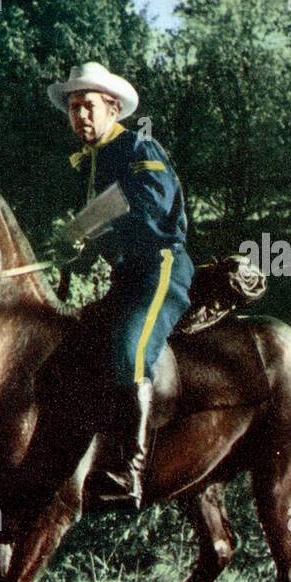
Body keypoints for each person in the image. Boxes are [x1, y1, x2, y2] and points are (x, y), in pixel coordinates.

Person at [48, 62, 194, 508]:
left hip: (160, 267)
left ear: (113, 108)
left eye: (89, 106)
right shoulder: (88, 164)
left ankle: (131, 472)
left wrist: (92, 233)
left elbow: (151, 209)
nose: (81, 117)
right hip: (126, 276)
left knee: (129, 351)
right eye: (73, 109)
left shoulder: (138, 146)